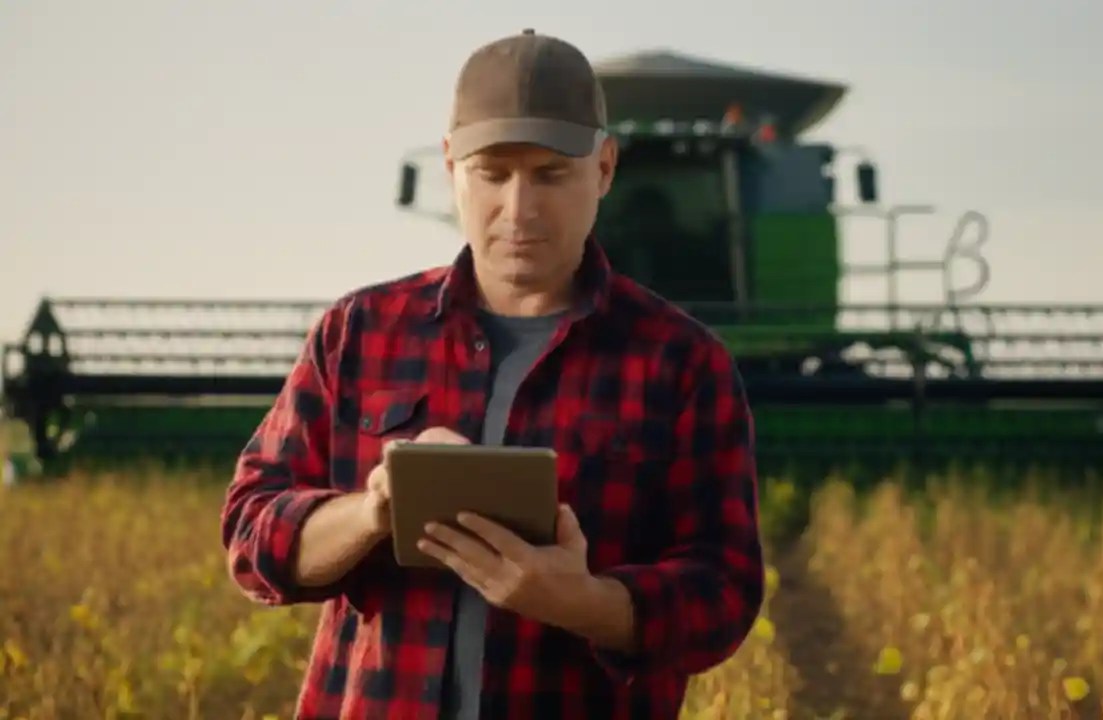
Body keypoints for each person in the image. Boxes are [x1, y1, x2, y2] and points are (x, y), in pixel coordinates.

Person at [219, 28, 765, 720]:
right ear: (451, 166)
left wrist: (585, 603)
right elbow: (249, 532)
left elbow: (725, 592)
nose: (519, 210)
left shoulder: (683, 364)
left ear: (604, 168)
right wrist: (373, 510)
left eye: (550, 174)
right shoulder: (357, 332)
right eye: (493, 173)